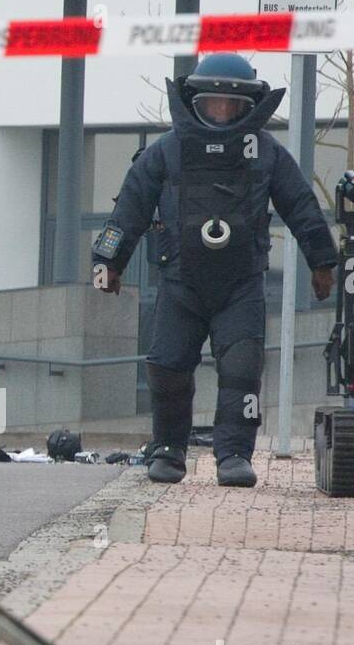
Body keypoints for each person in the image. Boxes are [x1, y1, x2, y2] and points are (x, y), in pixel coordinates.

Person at [91, 52, 337, 487]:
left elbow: (301, 205)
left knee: (242, 367)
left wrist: (322, 261)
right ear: (195, 102)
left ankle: (235, 455)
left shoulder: (266, 152)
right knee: (167, 367)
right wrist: (107, 263)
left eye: (231, 106)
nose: (222, 113)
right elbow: (129, 208)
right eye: (213, 104)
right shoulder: (167, 151)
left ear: (247, 106)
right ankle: (168, 449)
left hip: (240, 284)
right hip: (179, 281)